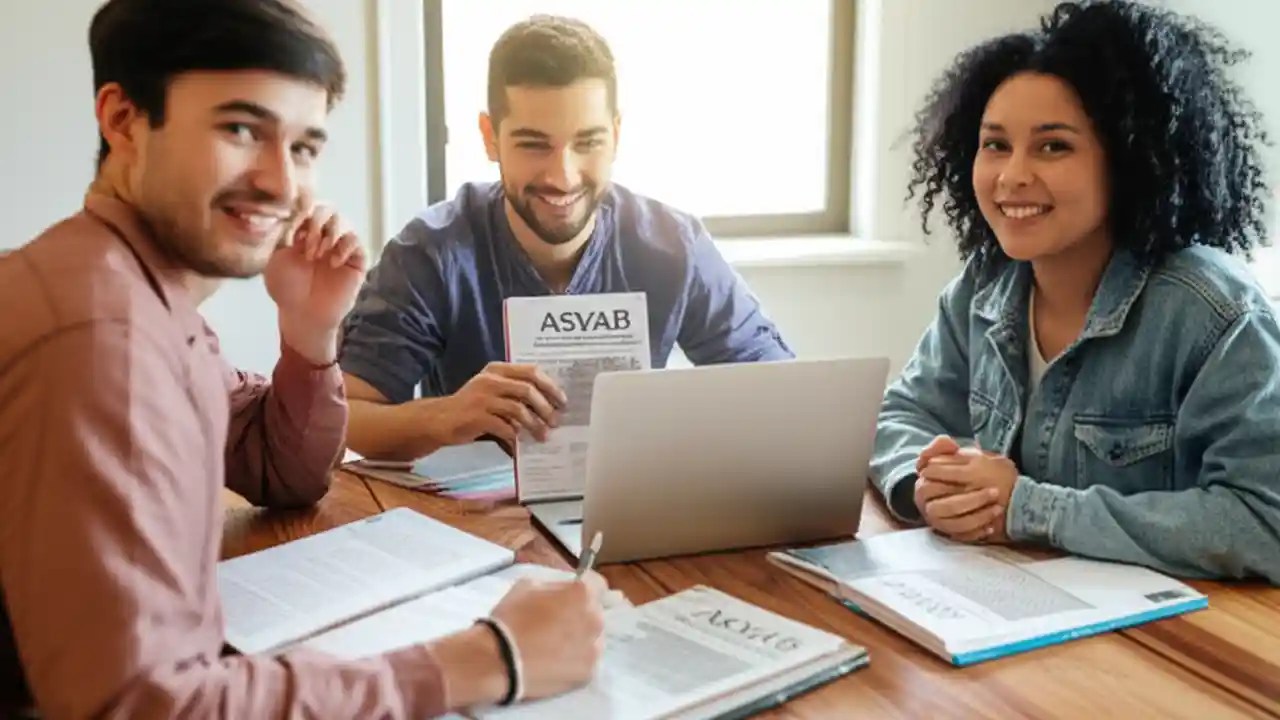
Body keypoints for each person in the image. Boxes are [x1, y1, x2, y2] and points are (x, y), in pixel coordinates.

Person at [0, 1, 607, 717]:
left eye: (304, 147)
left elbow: (276, 469)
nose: (280, 183)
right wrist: (486, 659)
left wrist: (310, 333)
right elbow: (143, 704)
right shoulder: (104, 337)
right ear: (124, 120)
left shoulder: (138, 297)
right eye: (240, 129)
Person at [870, 0, 1280, 583]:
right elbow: (902, 411)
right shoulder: (984, 285)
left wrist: (1028, 509)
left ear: (1130, 160)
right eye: (995, 144)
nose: (1012, 176)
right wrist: (925, 484)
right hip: (1020, 607)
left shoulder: (1213, 312)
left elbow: (1264, 522)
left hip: (1176, 643)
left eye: (1053, 146)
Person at [338, 15, 793, 461]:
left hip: (633, 506)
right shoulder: (431, 254)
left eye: (588, 142)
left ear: (615, 135)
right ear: (489, 137)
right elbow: (347, 417)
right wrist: (446, 416)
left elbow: (784, 392)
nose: (563, 176)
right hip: (473, 519)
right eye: (534, 144)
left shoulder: (674, 246)